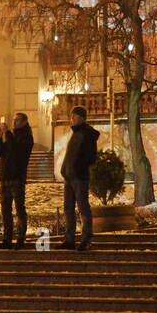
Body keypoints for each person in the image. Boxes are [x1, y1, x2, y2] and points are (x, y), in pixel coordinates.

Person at [60, 106, 100, 250]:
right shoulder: (76, 133)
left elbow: (90, 157)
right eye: (72, 116)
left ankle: (86, 238)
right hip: (69, 176)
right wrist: (65, 170)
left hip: (79, 177)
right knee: (68, 208)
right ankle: (69, 239)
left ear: (82, 118)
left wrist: (77, 169)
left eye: (75, 116)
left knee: (83, 207)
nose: (72, 119)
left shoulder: (87, 134)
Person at [0, 112, 33, 249]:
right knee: (5, 211)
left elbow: (17, 150)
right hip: (5, 177)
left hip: (17, 178)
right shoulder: (13, 135)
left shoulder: (26, 137)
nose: (14, 122)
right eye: (14, 120)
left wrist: (7, 133)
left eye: (17, 120)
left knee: (19, 209)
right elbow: (0, 153)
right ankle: (7, 239)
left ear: (24, 122)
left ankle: (21, 238)